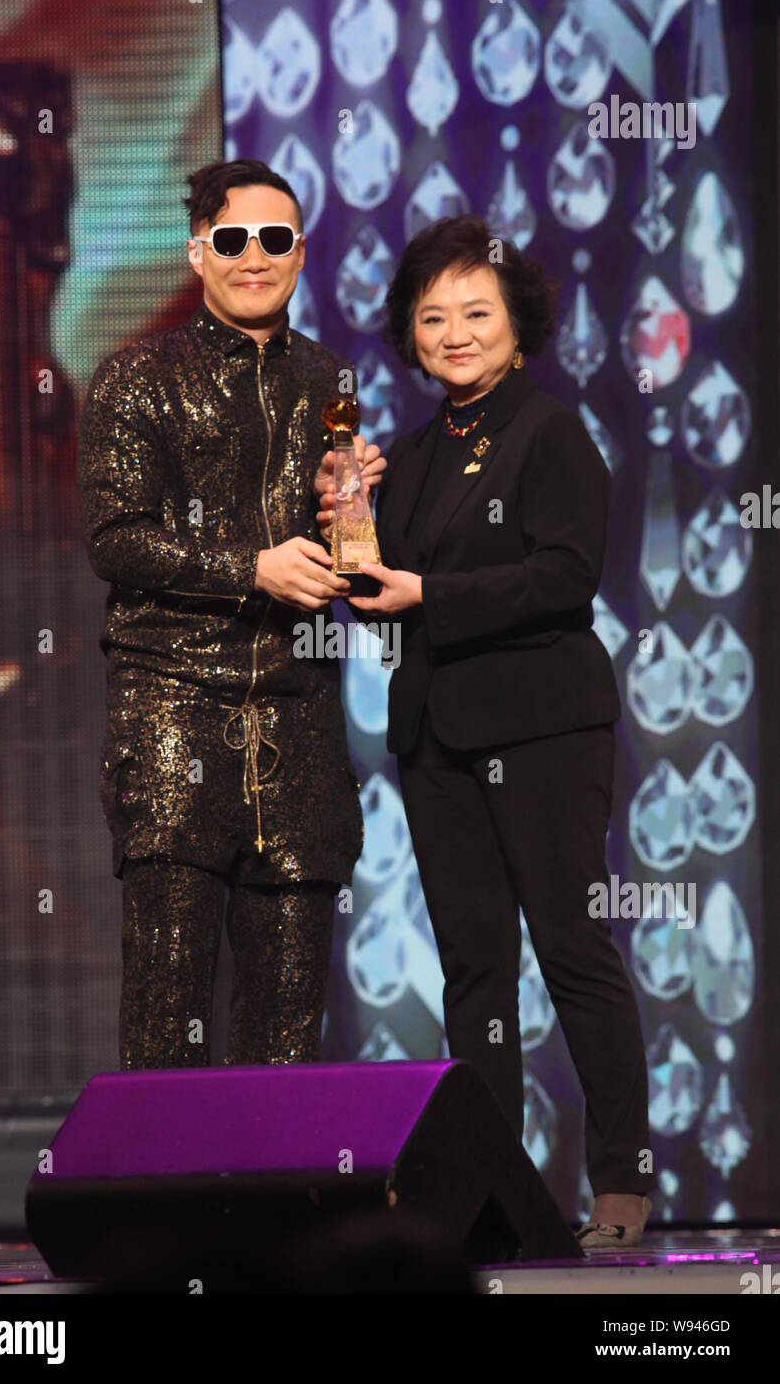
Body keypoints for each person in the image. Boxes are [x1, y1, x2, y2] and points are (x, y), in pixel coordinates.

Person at [318, 215, 656, 1248]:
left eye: (475, 312)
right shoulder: (408, 454)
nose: (453, 332)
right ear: (408, 335)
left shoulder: (550, 432)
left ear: (518, 326)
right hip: (437, 737)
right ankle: (490, 1199)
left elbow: (563, 576)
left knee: (568, 947)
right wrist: (349, 517)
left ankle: (621, 1186)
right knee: (471, 967)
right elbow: (372, 594)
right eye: (431, 316)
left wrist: (431, 589)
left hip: (543, 727)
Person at [78, 158, 385, 1072]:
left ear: (301, 253)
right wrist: (251, 568)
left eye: (277, 240)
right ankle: (156, 1216)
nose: (257, 258)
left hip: (298, 718)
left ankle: (281, 1217)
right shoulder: (137, 376)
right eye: (235, 240)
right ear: (198, 253)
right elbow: (116, 538)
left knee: (288, 1034)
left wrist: (351, 515)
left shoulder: (332, 378)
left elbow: (345, 560)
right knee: (166, 1022)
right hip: (173, 709)